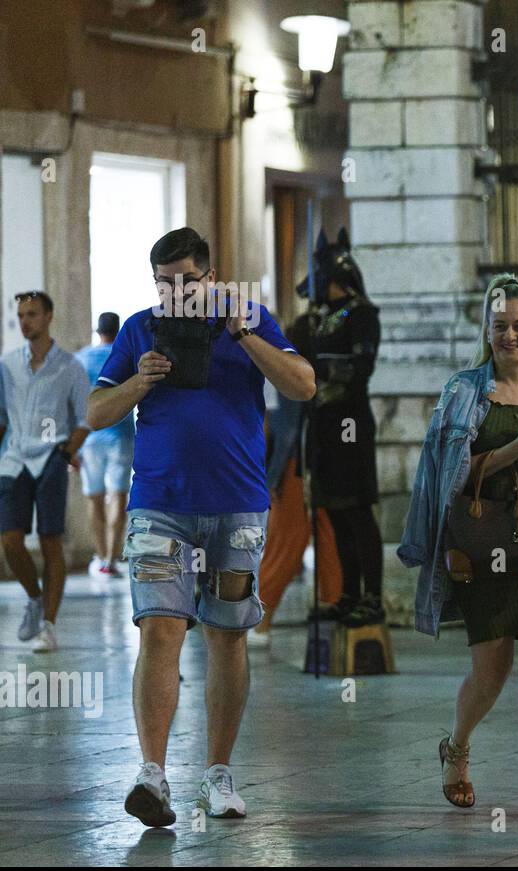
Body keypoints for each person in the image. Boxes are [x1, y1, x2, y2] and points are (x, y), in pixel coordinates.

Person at [87, 227, 316, 829]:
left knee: (227, 635)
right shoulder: (141, 328)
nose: (176, 297)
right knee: (161, 630)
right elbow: (94, 412)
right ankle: (153, 775)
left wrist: (245, 335)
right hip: (160, 502)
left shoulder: (250, 318)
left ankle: (217, 773)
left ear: (210, 278)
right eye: (165, 286)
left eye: (188, 284)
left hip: (237, 505)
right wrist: (141, 379)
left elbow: (304, 384)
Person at [399, 274, 518, 822]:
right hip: (481, 552)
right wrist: (517, 446)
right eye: (500, 326)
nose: (510, 336)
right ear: (487, 329)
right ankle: (457, 749)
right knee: (491, 672)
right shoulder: (463, 391)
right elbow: (448, 476)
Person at [300, 228, 385, 628]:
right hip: (321, 424)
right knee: (334, 513)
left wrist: (316, 368)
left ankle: (372, 598)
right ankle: (348, 594)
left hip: (349, 421)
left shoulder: (362, 313)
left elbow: (359, 368)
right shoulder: (315, 320)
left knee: (357, 512)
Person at [0, 291, 91, 652]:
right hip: (14, 461)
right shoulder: (7, 366)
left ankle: (49, 625)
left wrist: (66, 453)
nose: (25, 321)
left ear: (48, 317)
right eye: (21, 315)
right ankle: (34, 599)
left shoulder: (70, 367)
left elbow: (86, 417)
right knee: (10, 541)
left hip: (52, 459)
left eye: (32, 314)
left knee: (52, 541)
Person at [249, 311, 343, 650]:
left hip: (298, 469)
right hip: (303, 469)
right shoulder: (296, 374)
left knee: (298, 543)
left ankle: (267, 620)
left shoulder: (283, 373)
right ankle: (267, 618)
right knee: (302, 541)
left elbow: (278, 431)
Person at [75, 311, 134, 578]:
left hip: (88, 437)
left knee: (94, 497)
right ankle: (112, 558)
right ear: (118, 330)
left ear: (96, 330)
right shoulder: (125, 356)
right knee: (118, 497)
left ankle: (100, 559)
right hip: (120, 435)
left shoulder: (81, 359)